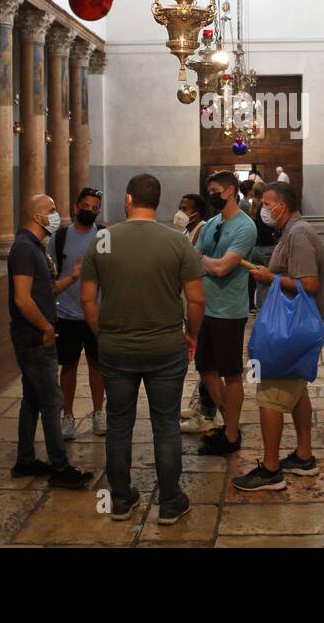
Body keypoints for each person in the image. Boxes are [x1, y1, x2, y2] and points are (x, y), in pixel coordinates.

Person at [81, 173, 205, 524]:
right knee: (165, 424)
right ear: (158, 201)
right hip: (166, 346)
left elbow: (87, 299)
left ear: (128, 200)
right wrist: (192, 334)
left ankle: (120, 500)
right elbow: (196, 299)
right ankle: (169, 502)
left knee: (119, 424)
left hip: (116, 347)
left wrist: (102, 334)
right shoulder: (177, 242)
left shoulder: (103, 240)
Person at [236, 181, 324, 492]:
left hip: (289, 331)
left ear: (282, 207)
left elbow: (309, 284)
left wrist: (269, 277)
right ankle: (303, 457)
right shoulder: (294, 230)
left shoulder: (298, 234)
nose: (263, 207)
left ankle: (271, 470)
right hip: (294, 328)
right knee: (297, 391)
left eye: (267, 202)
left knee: (271, 395)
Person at [7, 194, 94, 489]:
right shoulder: (23, 248)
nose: (56, 216)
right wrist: (45, 327)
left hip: (36, 333)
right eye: (52, 210)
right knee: (52, 400)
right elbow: (22, 298)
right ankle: (60, 468)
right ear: (37, 217)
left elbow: (45, 290)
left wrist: (73, 278)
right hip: (33, 336)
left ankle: (25, 460)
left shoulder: (35, 247)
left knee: (32, 398)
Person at [191, 171, 257, 456]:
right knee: (205, 368)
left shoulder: (245, 226)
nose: (212, 195)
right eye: (209, 191)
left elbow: (221, 268)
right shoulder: (212, 223)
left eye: (216, 190)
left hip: (229, 310)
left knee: (230, 373)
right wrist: (201, 258)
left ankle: (230, 435)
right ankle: (230, 422)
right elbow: (193, 256)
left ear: (230, 191)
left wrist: (200, 258)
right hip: (206, 306)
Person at [53, 187, 106, 439]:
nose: (90, 211)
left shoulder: (104, 235)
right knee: (69, 367)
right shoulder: (61, 236)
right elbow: (51, 272)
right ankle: (68, 416)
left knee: (98, 366)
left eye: (95, 208)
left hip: (96, 313)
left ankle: (98, 413)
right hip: (67, 313)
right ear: (76, 207)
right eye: (86, 207)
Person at [178, 191, 219, 432]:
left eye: (185, 208)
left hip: (202, 302)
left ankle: (208, 413)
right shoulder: (186, 231)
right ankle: (199, 402)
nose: (181, 212)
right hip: (188, 301)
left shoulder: (203, 229)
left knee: (207, 361)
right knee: (201, 361)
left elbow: (194, 260)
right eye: (180, 207)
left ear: (197, 212)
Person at [248, 182, 280, 310]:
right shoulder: (264, 207)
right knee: (266, 282)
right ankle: (265, 310)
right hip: (267, 248)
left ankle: (260, 309)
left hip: (255, 248)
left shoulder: (252, 206)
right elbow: (273, 223)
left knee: (259, 283)